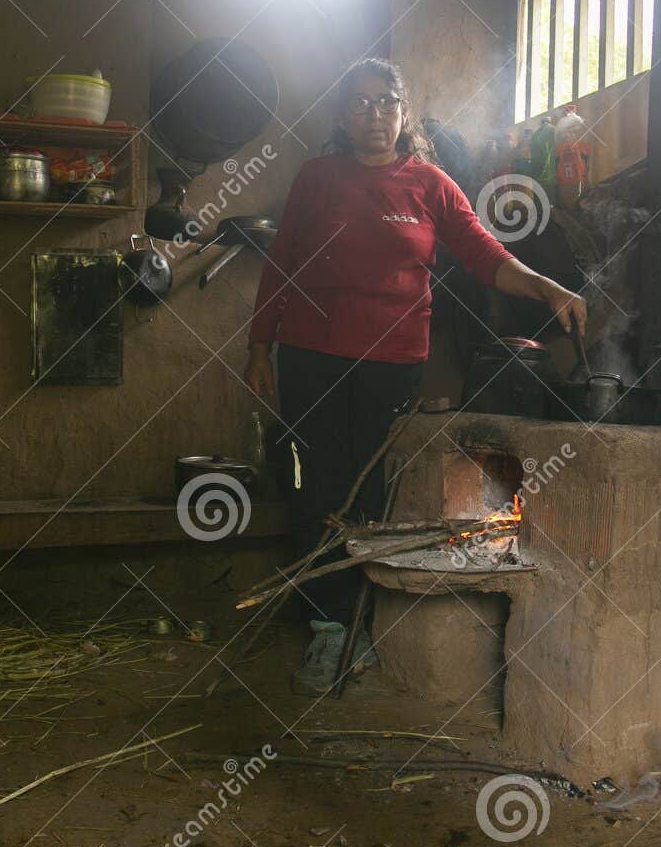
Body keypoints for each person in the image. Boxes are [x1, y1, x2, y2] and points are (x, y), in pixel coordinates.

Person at [243, 58, 585, 663]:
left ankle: (369, 621)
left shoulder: (430, 184)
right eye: (359, 102)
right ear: (343, 115)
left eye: (385, 102)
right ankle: (329, 630)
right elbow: (282, 264)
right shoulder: (316, 178)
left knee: (374, 486)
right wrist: (258, 346)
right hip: (309, 357)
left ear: (404, 113)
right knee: (318, 486)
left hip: (393, 362)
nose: (373, 114)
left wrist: (547, 287)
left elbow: (485, 255)